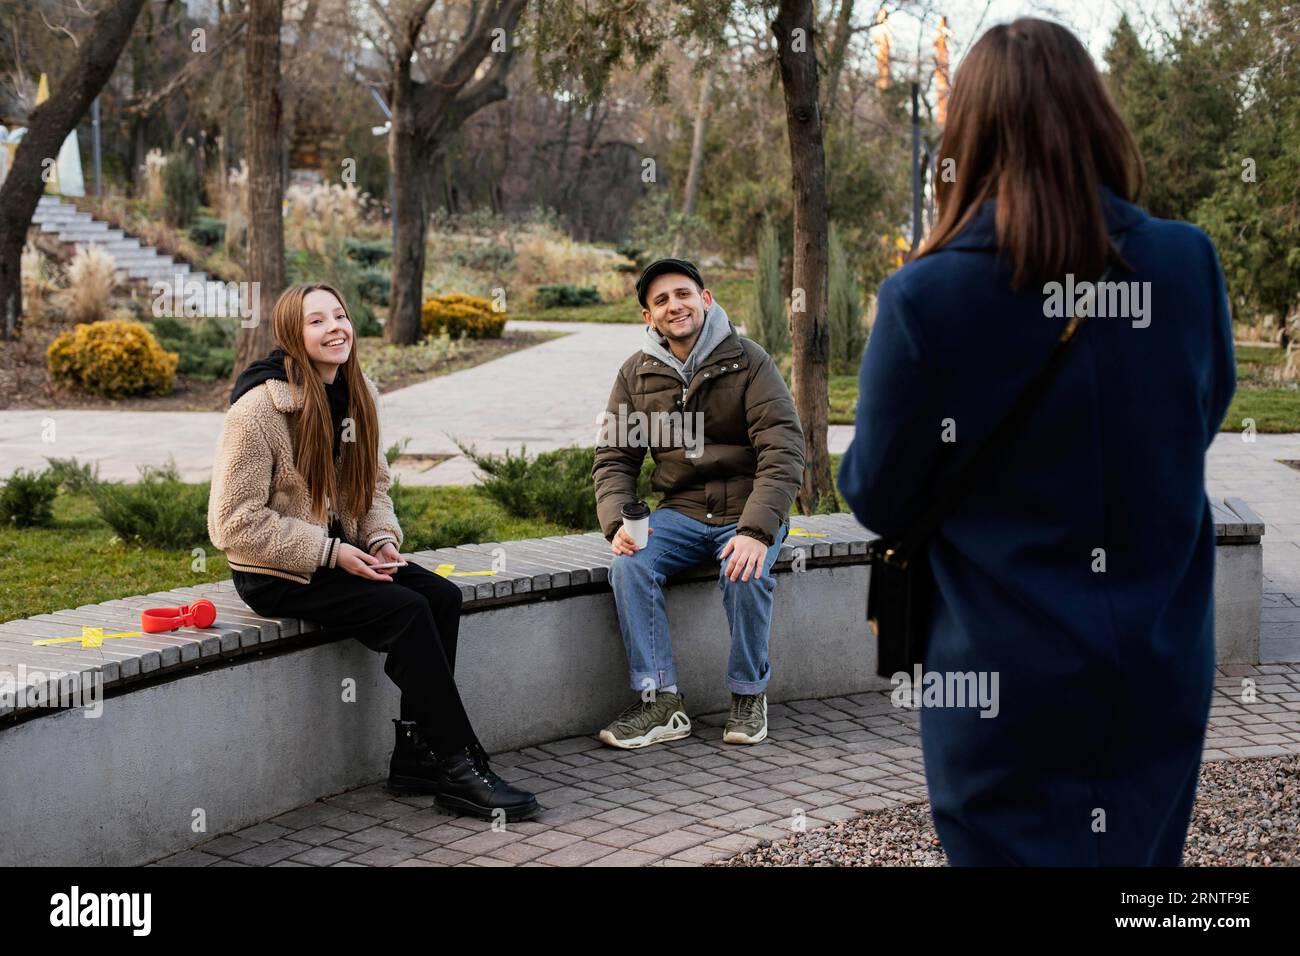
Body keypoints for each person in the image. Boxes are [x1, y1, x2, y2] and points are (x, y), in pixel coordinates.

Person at [837, 18, 1236, 865]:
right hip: (1159, 664)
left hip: (998, 680)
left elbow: (878, 494)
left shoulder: (926, 297)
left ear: (967, 136)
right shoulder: (1187, 264)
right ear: (1096, 117)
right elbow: (1200, 419)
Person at [207, 282, 538, 822]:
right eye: (317, 321)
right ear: (293, 332)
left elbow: (373, 486)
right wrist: (330, 553)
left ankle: (414, 755)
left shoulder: (360, 392)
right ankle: (459, 766)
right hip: (277, 570)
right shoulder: (258, 410)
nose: (335, 327)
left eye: (340, 315)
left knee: (441, 596)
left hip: (344, 552)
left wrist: (381, 540)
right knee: (406, 612)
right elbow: (232, 523)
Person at [592, 258, 805, 749]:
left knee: (744, 569)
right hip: (681, 512)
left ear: (705, 299)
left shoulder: (750, 361)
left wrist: (755, 531)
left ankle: (749, 694)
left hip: (748, 509)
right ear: (649, 317)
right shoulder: (636, 374)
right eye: (661, 300)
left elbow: (783, 449)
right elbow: (612, 458)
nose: (675, 306)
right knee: (630, 565)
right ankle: (660, 702)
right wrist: (617, 523)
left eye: (683, 294)